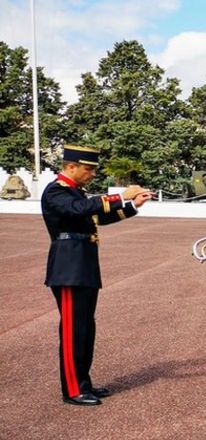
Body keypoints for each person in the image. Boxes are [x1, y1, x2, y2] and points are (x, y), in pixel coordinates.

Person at [41, 145, 154, 405]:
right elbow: (80, 209)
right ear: (70, 166)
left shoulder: (75, 193)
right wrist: (119, 196)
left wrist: (132, 206)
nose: (92, 174)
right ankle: (73, 389)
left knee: (85, 328)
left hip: (83, 266)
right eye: (88, 169)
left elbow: (96, 218)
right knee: (73, 330)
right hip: (68, 268)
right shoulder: (56, 191)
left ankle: (84, 383)